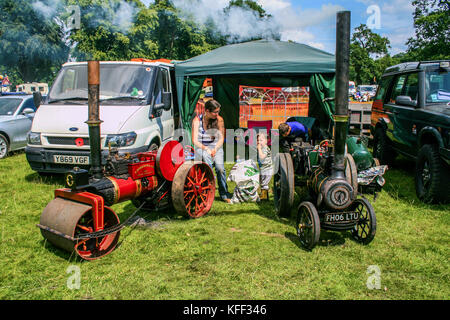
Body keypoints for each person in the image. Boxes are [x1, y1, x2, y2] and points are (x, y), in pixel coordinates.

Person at [192, 99, 231, 203]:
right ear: (207, 111)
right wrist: (207, 149)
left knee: (220, 168)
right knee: (206, 159)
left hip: (216, 147)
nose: (217, 114)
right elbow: (194, 140)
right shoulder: (197, 120)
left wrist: (214, 149)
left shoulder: (219, 120)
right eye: (215, 112)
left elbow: (221, 139)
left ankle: (224, 193)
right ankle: (208, 190)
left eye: (218, 111)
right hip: (202, 147)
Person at [257, 133, 273, 200]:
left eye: (261, 140)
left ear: (266, 141)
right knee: (262, 182)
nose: (259, 142)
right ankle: (264, 195)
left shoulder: (265, 148)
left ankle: (264, 197)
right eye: (258, 140)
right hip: (263, 168)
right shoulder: (262, 148)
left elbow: (262, 157)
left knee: (264, 183)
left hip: (267, 169)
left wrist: (259, 149)